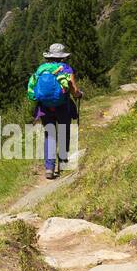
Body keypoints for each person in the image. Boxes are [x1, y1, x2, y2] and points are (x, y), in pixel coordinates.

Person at [27, 43, 82, 179]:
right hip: (62, 106)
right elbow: (74, 91)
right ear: (63, 57)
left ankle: (49, 168)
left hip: (44, 107)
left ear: (49, 56)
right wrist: (79, 94)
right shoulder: (66, 69)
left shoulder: (41, 69)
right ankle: (63, 162)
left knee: (49, 135)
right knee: (64, 132)